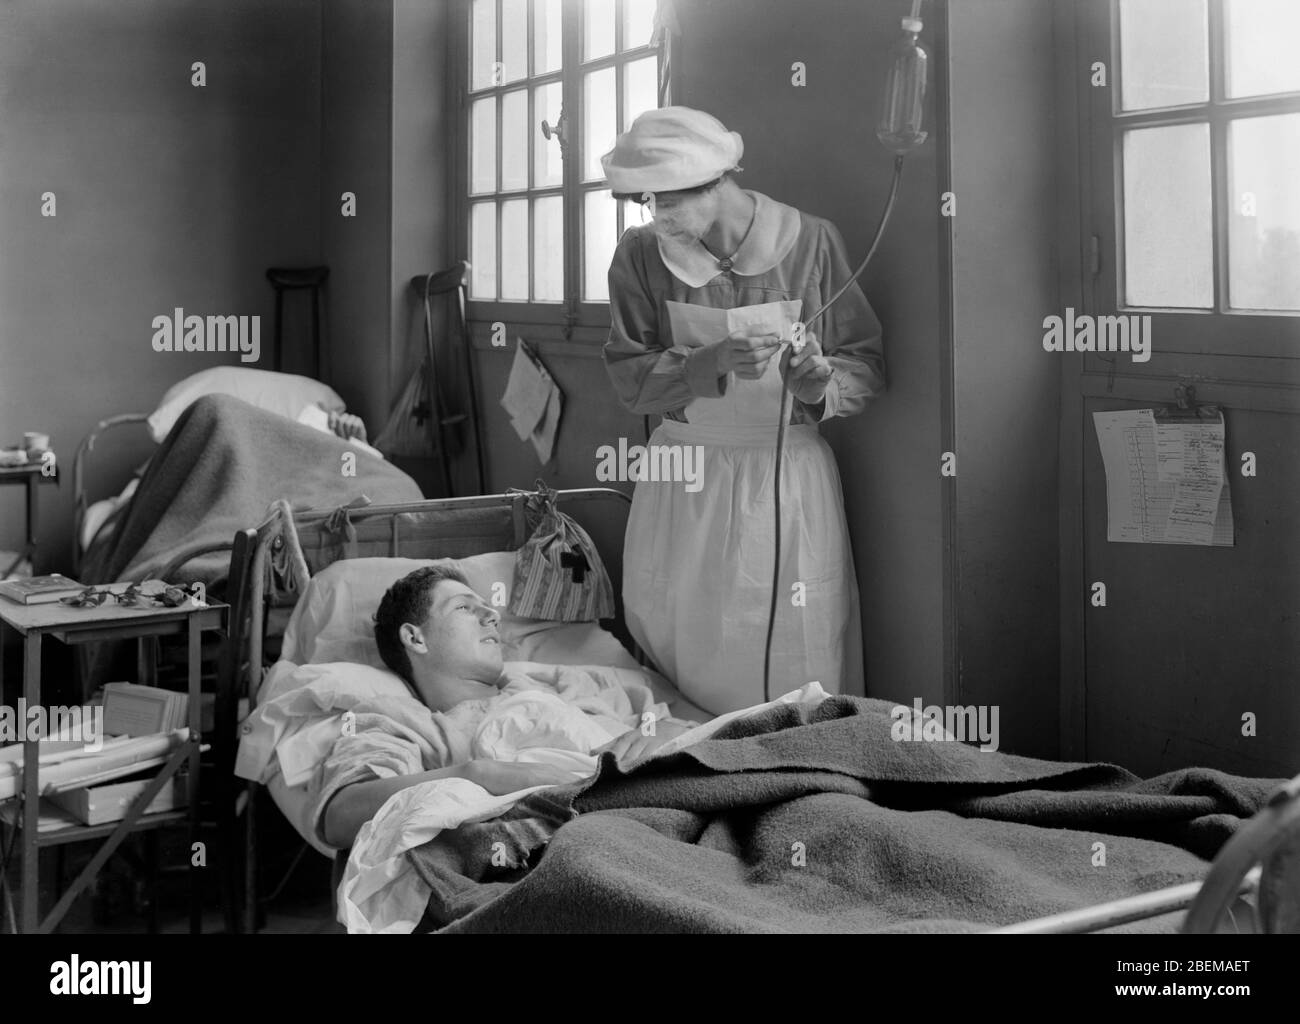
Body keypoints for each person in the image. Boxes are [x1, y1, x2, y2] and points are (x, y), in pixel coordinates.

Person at [601, 106, 887, 717]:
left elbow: (866, 363)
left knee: (791, 636)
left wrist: (819, 382)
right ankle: (693, 777)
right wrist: (709, 362)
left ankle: (799, 774)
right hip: (685, 472)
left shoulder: (810, 242)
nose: (657, 215)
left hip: (784, 473)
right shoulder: (642, 256)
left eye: (665, 200)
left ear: (715, 182)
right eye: (648, 202)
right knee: (683, 629)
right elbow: (630, 379)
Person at [317, 565, 697, 849]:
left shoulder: (556, 686)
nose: (492, 616)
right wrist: (478, 775)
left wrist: (661, 731)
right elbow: (338, 818)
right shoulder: (405, 723)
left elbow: (664, 722)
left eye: (487, 607)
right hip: (593, 836)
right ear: (414, 638)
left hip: (671, 796)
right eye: (465, 608)